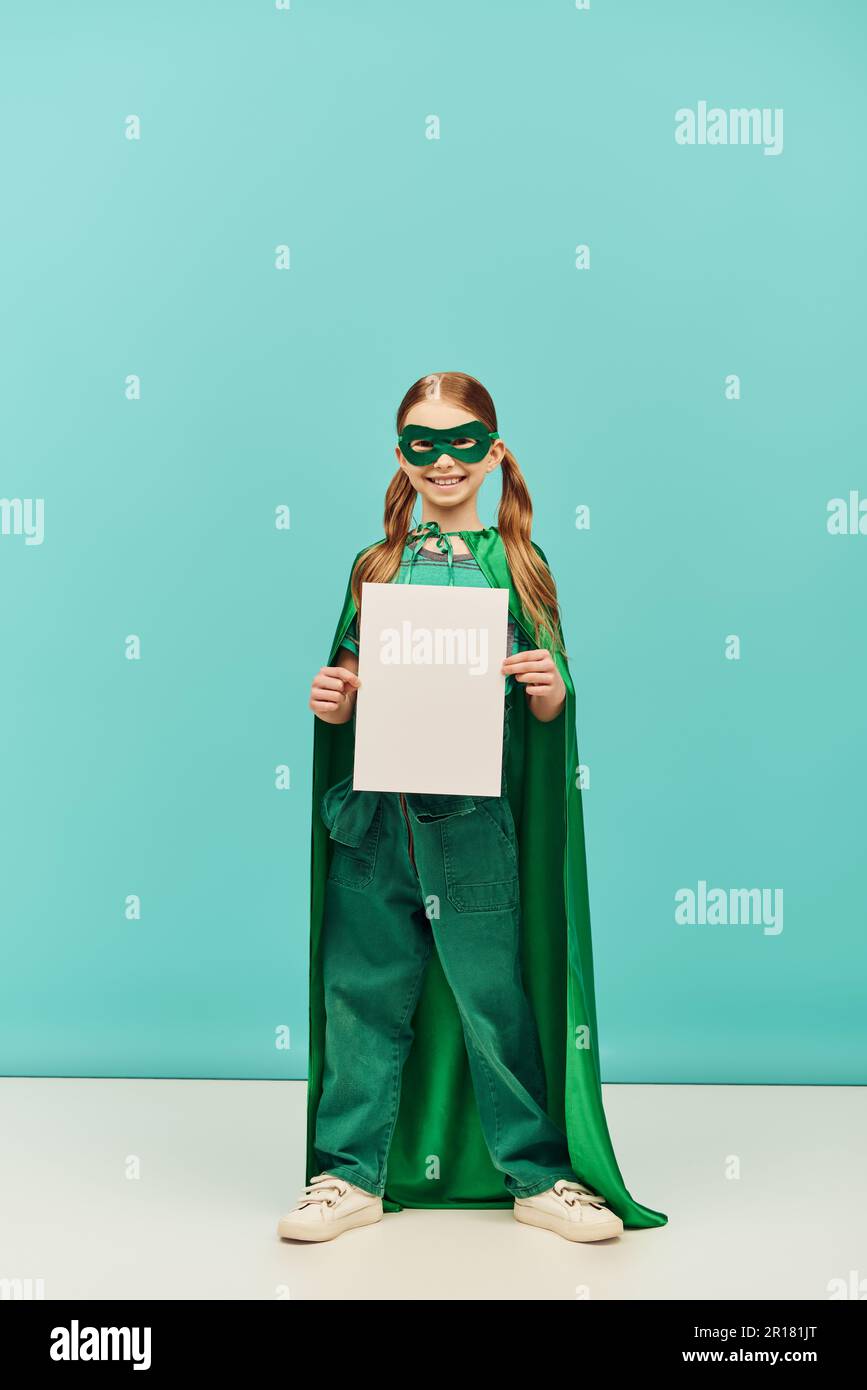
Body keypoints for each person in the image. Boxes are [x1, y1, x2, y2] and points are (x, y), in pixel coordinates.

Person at [277, 371, 668, 1244]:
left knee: (494, 995)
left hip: (472, 825)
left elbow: (548, 703)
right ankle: (348, 1176)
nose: (443, 460)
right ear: (400, 456)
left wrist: (546, 690)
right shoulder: (375, 564)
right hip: (374, 823)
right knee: (361, 993)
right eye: (423, 442)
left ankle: (534, 1174)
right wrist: (336, 697)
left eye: (462, 442)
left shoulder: (517, 564)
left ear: (493, 453)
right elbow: (350, 676)